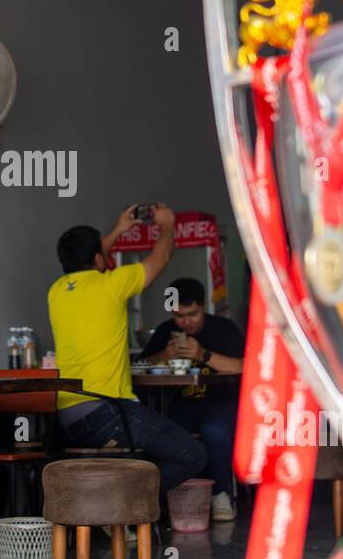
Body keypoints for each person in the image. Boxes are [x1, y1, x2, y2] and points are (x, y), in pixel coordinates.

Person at [47, 204, 206, 499]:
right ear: (98, 257)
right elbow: (162, 256)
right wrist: (167, 224)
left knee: (146, 456)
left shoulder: (56, 291)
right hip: (109, 412)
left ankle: (113, 503)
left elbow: (86, 261)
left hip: (66, 419)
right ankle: (120, 501)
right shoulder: (113, 284)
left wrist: (120, 230)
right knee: (192, 455)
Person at [139, 277, 244, 520]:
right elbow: (140, 366)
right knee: (161, 431)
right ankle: (164, 497)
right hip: (182, 405)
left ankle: (220, 495)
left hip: (221, 403)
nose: (186, 322)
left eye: (192, 314)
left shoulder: (223, 328)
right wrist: (163, 355)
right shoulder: (166, 331)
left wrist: (203, 355)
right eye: (179, 315)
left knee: (214, 430)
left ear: (203, 305)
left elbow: (245, 366)